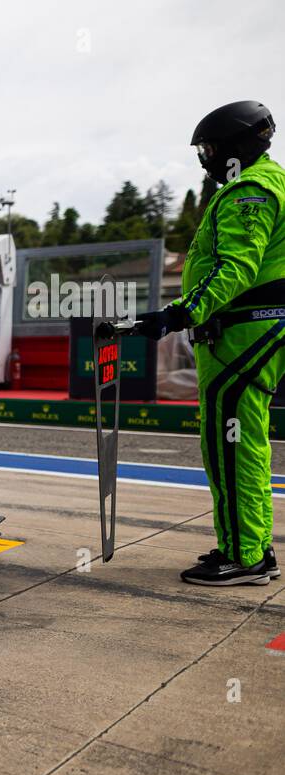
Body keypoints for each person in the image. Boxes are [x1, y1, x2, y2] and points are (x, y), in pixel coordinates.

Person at [133, 100, 285, 586]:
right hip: (253, 331)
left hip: (243, 334)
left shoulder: (249, 191)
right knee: (246, 445)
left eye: (211, 149)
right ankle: (252, 545)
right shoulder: (269, 182)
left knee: (231, 445)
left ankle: (245, 558)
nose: (207, 160)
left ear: (238, 146)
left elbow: (235, 266)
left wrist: (182, 312)